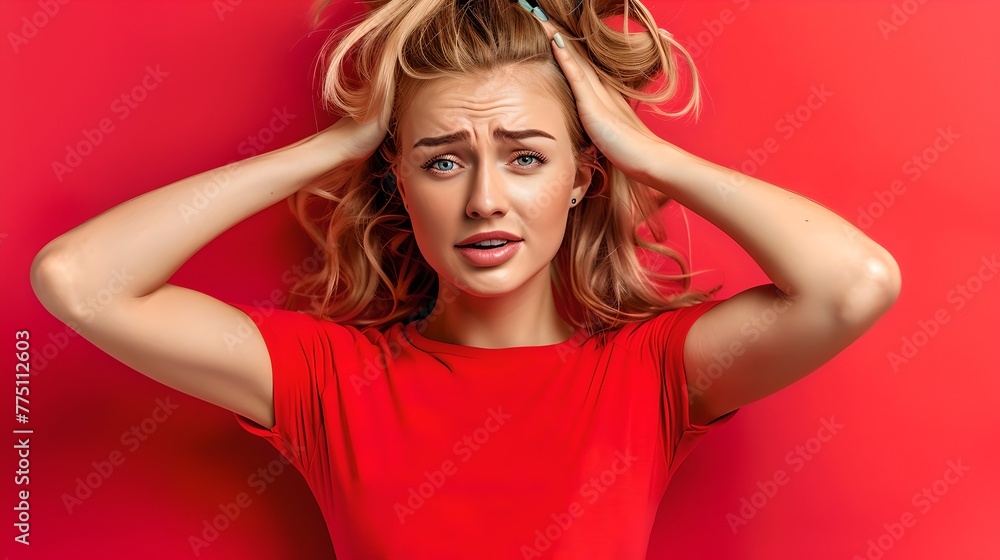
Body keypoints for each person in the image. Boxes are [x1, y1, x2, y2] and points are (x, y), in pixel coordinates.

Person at [29, 0, 901, 557]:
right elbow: (80, 280)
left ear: (581, 177)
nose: (487, 199)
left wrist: (643, 149)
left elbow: (853, 282)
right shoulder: (325, 380)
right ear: (399, 181)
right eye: (444, 164)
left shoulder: (652, 375)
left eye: (526, 157)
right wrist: (340, 143)